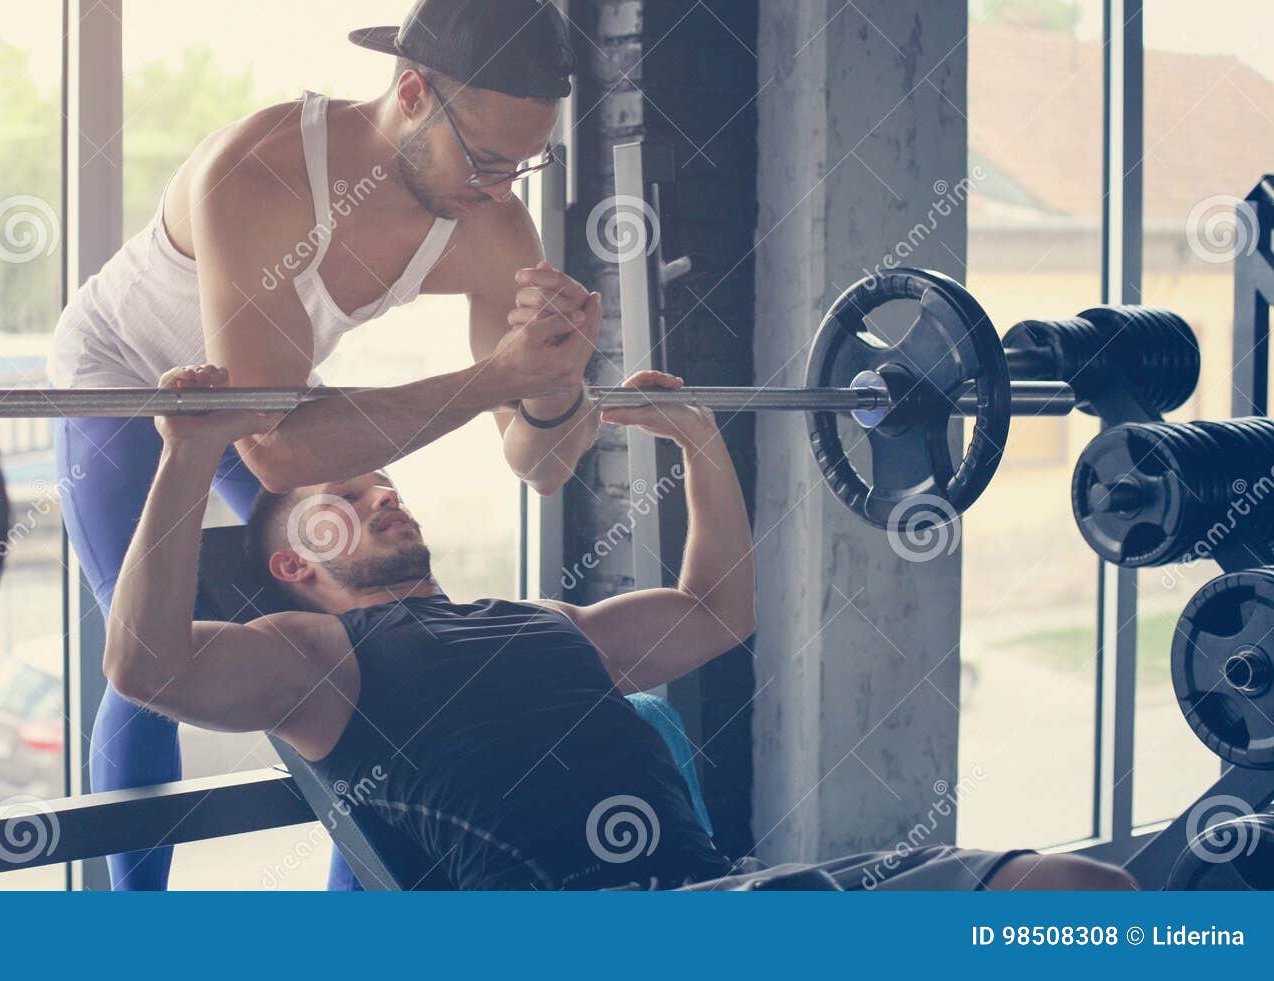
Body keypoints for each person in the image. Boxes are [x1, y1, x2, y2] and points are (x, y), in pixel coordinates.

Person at [102, 364, 1138, 892]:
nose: (382, 497)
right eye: (346, 498)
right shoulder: (312, 659)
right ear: (293, 567)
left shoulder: (539, 619)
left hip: (726, 893)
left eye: (384, 481)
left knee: (1080, 890)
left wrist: (697, 441)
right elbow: (146, 663)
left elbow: (716, 610)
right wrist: (187, 454)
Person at [49, 0, 600, 888]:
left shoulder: (491, 219)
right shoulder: (262, 174)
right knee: (150, 656)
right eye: (488, 158)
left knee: (387, 636)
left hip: (262, 388)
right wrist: (498, 373)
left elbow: (538, 464)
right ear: (412, 93)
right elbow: (277, 448)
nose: (504, 187)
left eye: (525, 162)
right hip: (122, 379)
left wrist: (554, 379)